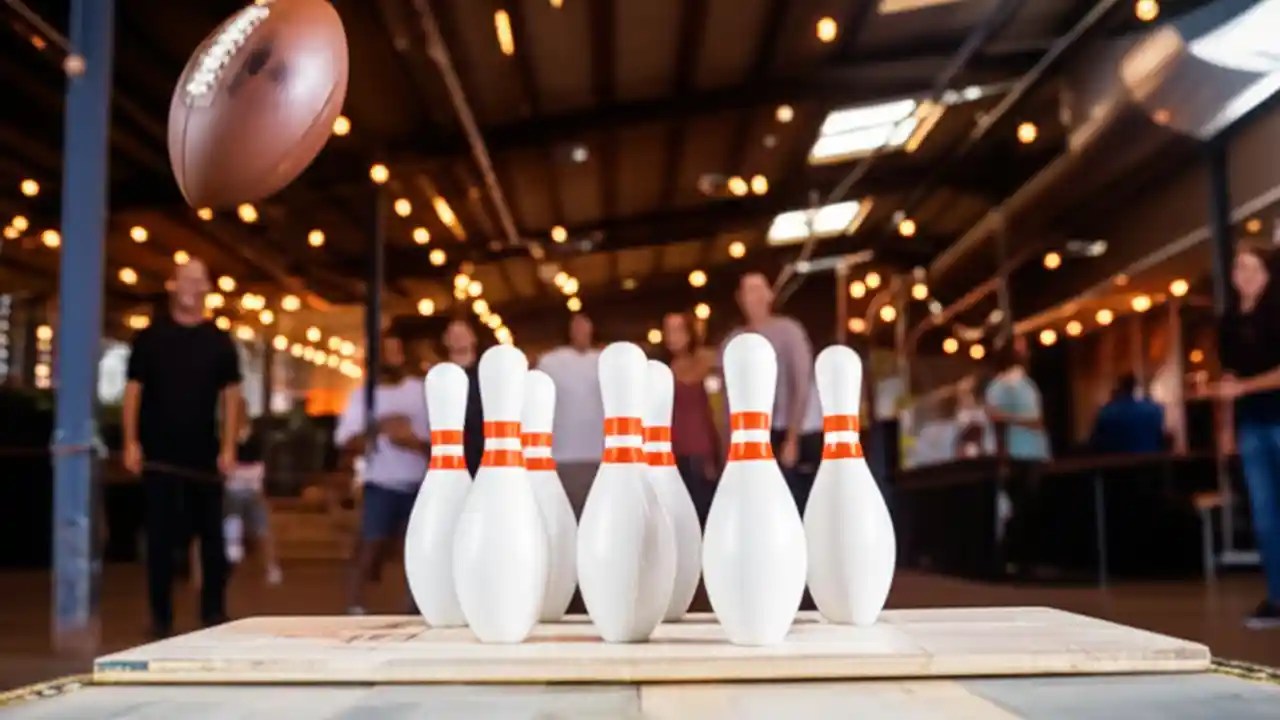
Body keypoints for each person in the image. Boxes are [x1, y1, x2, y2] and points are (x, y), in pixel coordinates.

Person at [123, 258, 242, 638]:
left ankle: (213, 612)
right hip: (159, 457)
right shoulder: (149, 338)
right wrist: (130, 442)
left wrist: (228, 447)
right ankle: (160, 617)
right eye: (186, 279)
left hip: (204, 457)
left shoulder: (219, 340)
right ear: (173, 285)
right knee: (160, 542)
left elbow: (232, 396)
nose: (193, 286)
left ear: (208, 288)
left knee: (212, 541)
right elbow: (133, 392)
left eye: (199, 279)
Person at [334, 333, 428, 615]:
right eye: (385, 352)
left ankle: (418, 605)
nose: (392, 358)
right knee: (370, 544)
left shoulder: (420, 390)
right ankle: (356, 605)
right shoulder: (362, 395)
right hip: (380, 482)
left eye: (397, 351)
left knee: (419, 548)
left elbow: (441, 440)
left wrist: (411, 440)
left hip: (419, 482)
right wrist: (377, 428)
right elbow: (345, 442)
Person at [1216, 240, 1280, 629]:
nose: (1245, 275)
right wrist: (1226, 429)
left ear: (1268, 273)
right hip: (1251, 427)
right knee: (1265, 517)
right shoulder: (1229, 322)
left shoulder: (1277, 312)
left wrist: (1244, 388)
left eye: (1252, 267)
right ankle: (1277, 598)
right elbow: (1228, 378)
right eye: (1239, 267)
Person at [721, 272, 823, 513]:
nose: (753, 297)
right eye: (748, 291)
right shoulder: (732, 341)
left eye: (758, 289)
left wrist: (792, 437)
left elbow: (801, 381)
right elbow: (727, 398)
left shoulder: (789, 330)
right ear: (739, 298)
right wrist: (728, 445)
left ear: (770, 295)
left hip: (785, 430)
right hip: (750, 437)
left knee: (791, 504)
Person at [536, 313, 605, 516]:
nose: (582, 332)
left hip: (599, 455)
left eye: (585, 327)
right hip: (561, 456)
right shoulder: (550, 362)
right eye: (577, 327)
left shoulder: (603, 360)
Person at [661, 311, 721, 526]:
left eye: (677, 330)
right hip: (673, 454)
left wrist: (716, 452)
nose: (672, 336)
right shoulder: (664, 370)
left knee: (702, 515)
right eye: (668, 330)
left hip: (701, 453)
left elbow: (716, 409)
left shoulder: (707, 362)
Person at [223, 396, 283, 585]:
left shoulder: (257, 434)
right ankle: (233, 547)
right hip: (231, 488)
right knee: (232, 507)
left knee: (263, 527)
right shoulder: (224, 435)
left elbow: (260, 463)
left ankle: (271, 567)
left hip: (253, 488)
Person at [983, 336, 1051, 461]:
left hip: (1036, 452)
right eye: (1019, 350)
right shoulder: (999, 385)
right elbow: (993, 415)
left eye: (1024, 350)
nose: (1025, 354)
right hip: (1015, 454)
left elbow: (1038, 419)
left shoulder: (1028, 384)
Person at [441, 317, 484, 475]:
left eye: (462, 333)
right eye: (453, 334)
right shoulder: (439, 376)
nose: (458, 338)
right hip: (450, 455)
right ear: (445, 340)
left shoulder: (486, 373)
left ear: (473, 338)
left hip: (482, 454)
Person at [1090, 374, 1166, 455]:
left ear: (1120, 388)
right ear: (1135, 387)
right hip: (1150, 463)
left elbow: (1096, 443)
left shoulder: (1107, 413)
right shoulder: (1153, 410)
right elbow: (1160, 439)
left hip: (1116, 464)